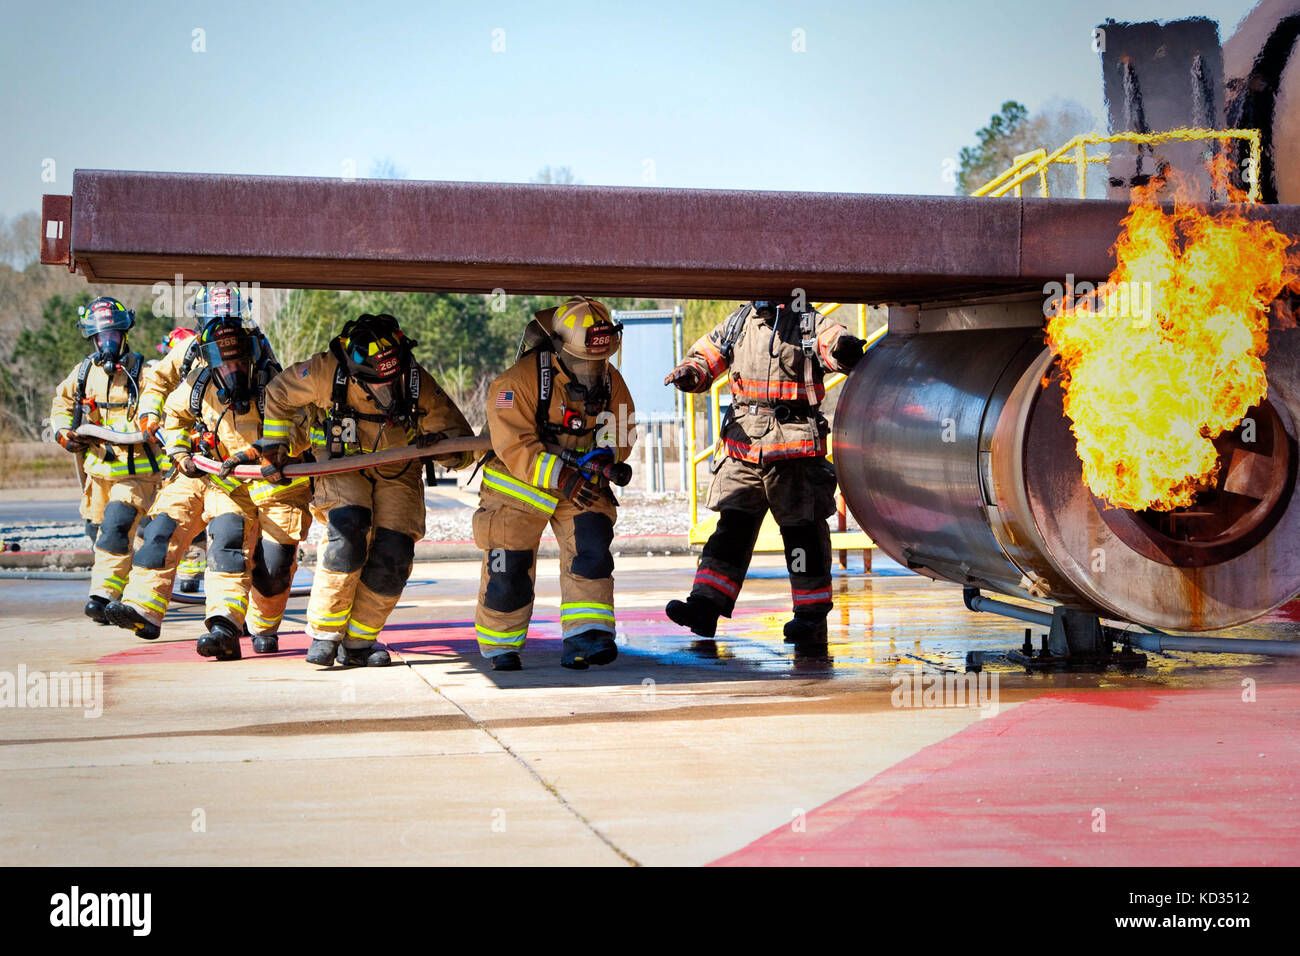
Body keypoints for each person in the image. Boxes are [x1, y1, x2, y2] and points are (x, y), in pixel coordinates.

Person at [258, 313, 474, 668]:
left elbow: (462, 444)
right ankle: (326, 633)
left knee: (395, 551)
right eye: (377, 383)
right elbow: (278, 393)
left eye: (394, 379)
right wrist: (275, 444)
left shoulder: (414, 377)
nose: (387, 390)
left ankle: (359, 640)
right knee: (349, 531)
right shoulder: (325, 370)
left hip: (397, 468)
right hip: (342, 464)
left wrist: (446, 448)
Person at [105, 316, 313, 659]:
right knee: (178, 531)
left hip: (275, 488)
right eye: (224, 363)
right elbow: (175, 416)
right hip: (221, 483)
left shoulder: (274, 384)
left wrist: (261, 449)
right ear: (209, 360)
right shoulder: (198, 384)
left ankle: (263, 625)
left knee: (272, 574)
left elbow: (300, 430)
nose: (233, 370)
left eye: (239, 362)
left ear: (252, 356)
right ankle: (178, 617)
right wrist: (179, 450)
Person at [663, 297, 867, 643]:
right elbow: (706, 358)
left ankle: (810, 618)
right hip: (744, 450)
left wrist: (844, 349)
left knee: (802, 538)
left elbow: (830, 342)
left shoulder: (807, 321)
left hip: (795, 453)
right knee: (730, 532)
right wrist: (690, 374)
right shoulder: (739, 322)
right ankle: (704, 607)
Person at [472, 296, 637, 671]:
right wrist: (562, 477)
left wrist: (607, 457)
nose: (592, 370)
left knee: (592, 545)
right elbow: (515, 446)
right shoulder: (516, 382)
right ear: (560, 349)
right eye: (582, 361)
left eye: (599, 360)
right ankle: (501, 646)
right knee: (508, 566)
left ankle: (587, 637)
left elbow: (621, 426)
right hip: (518, 485)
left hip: (581, 480)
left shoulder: (611, 380)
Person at [50, 296, 168, 624]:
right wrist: (64, 432)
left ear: (124, 336)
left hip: (137, 474)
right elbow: (61, 402)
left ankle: (102, 596)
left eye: (113, 337)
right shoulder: (85, 372)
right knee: (98, 532)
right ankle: (121, 590)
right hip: (98, 473)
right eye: (101, 339)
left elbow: (163, 402)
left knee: (116, 527)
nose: (107, 345)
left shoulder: (145, 374)